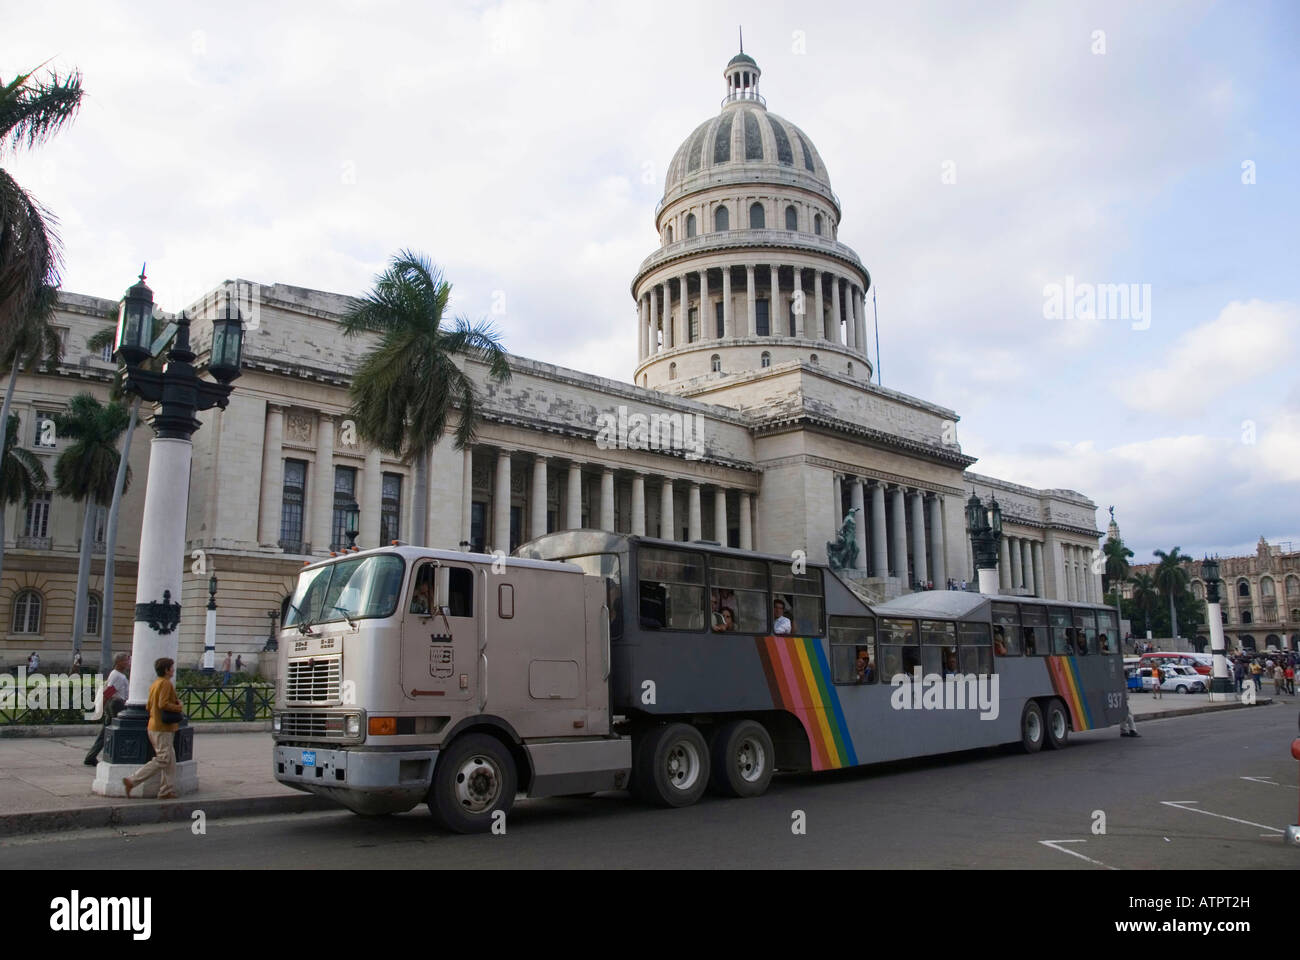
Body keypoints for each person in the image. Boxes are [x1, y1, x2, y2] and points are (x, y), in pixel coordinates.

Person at [122, 657, 183, 800]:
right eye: (172, 668)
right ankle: (133, 780)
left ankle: (166, 790)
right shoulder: (166, 684)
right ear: (167, 670)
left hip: (154, 725)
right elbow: (163, 704)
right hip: (163, 727)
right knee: (163, 758)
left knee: (170, 759)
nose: (173, 670)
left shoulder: (155, 684)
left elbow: (149, 706)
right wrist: (178, 706)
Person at [84, 653, 130, 766]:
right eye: (125, 660)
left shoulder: (115, 674)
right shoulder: (118, 676)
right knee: (118, 730)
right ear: (118, 662)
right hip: (117, 704)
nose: (128, 663)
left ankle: (91, 756)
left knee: (106, 731)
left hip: (114, 704)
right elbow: (109, 692)